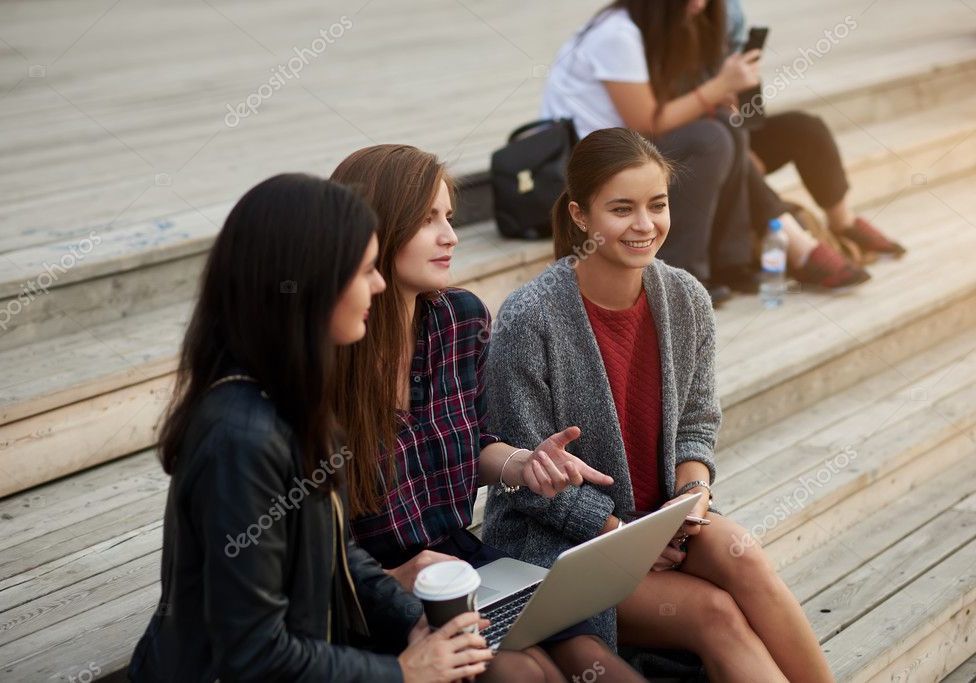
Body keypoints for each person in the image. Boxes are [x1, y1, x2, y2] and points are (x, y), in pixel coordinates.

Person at [482, 128, 834, 683]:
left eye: (658, 204)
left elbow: (696, 425)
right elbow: (526, 480)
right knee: (715, 614)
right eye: (622, 209)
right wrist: (621, 536)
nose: (645, 225)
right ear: (579, 215)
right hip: (562, 549)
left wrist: (693, 496)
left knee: (739, 549)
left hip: (659, 525)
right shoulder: (530, 318)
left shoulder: (687, 297)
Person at [129, 174, 494, 682]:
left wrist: (415, 621)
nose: (380, 285)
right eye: (365, 271)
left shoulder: (290, 397)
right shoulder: (242, 439)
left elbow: (336, 553)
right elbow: (254, 655)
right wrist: (405, 674)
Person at [329, 144, 648, 682]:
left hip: (462, 558)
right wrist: (396, 574)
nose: (450, 236)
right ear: (373, 230)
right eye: (427, 219)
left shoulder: (459, 319)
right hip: (376, 586)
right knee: (523, 672)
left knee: (596, 665)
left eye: (448, 217)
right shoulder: (332, 357)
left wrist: (522, 465)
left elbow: (474, 441)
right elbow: (319, 546)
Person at [540, 0, 871, 297]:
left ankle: (732, 263)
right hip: (587, 167)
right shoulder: (617, 34)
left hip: (627, 150)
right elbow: (644, 122)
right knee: (709, 139)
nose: (700, 5)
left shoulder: (661, 30)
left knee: (728, 129)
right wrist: (718, 87)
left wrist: (723, 97)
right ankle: (685, 273)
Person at [726, 0, 906, 259]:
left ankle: (843, 223)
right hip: (696, 139)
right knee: (727, 148)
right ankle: (803, 254)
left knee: (807, 129)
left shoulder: (728, 8)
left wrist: (747, 127)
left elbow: (742, 78)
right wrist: (740, 146)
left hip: (731, 124)